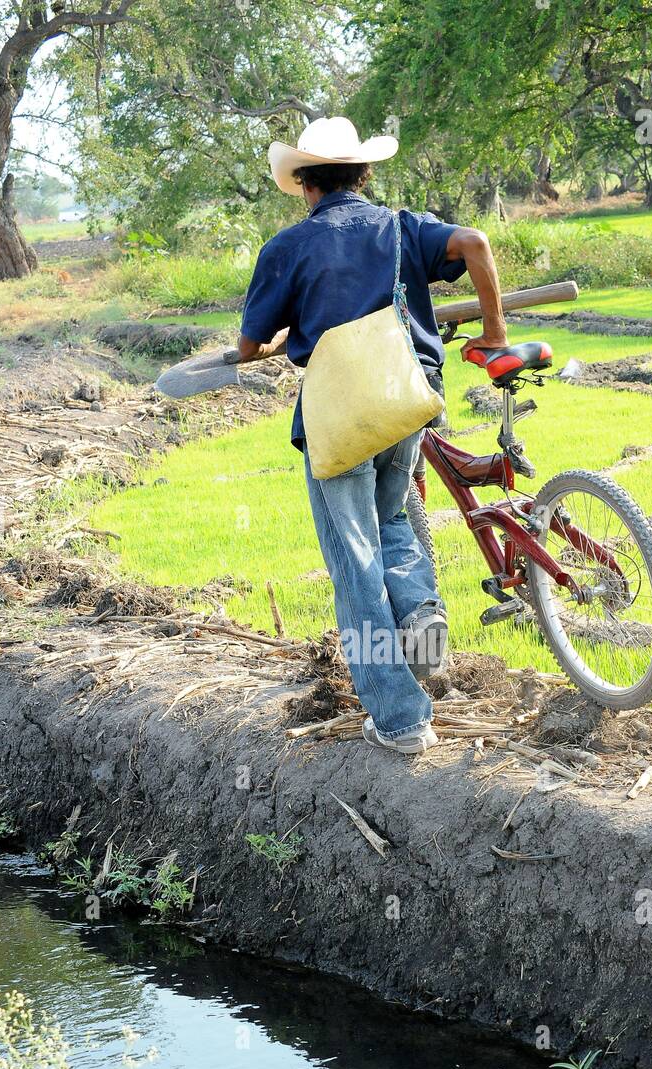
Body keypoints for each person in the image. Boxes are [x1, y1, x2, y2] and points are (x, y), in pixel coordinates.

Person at [238, 116, 508, 755]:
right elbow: (475, 242)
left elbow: (250, 346)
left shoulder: (287, 249)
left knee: (354, 564)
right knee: (392, 522)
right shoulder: (401, 227)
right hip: (402, 404)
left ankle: (400, 719)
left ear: (304, 183)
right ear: (363, 174)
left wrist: (272, 343)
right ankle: (420, 613)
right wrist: (493, 330)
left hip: (339, 419)